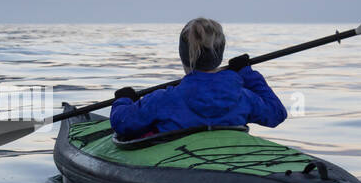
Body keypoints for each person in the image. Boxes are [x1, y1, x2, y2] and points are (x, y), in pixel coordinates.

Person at [109, 18, 288, 140]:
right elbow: (276, 114)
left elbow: (123, 123)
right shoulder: (244, 97)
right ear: (219, 55)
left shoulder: (163, 100)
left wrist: (123, 100)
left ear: (184, 56)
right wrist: (247, 74)